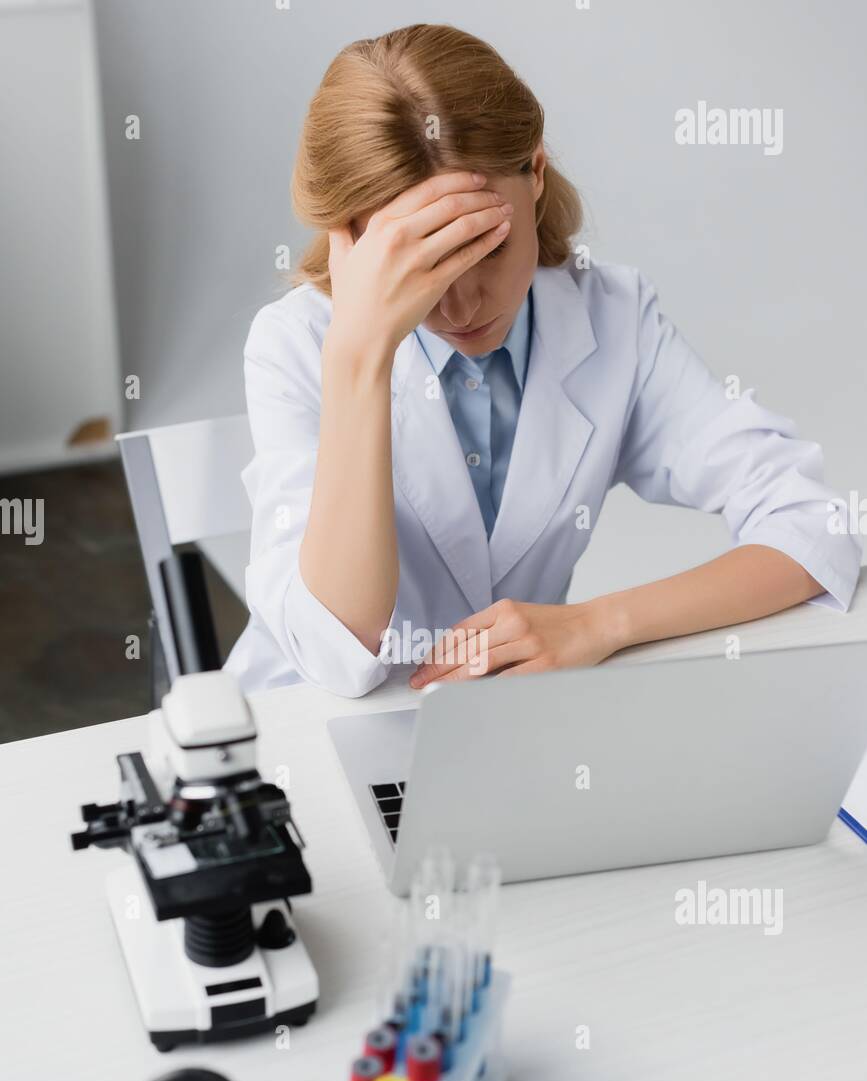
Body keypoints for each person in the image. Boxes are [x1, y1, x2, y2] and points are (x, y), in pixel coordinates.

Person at [225, 23, 860, 698]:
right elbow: (335, 656)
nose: (464, 304)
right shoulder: (293, 345)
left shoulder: (610, 316)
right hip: (301, 736)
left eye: (487, 249)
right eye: (429, 265)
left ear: (534, 172)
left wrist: (596, 623)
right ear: (349, 238)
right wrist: (360, 354)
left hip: (505, 730)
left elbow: (819, 528)